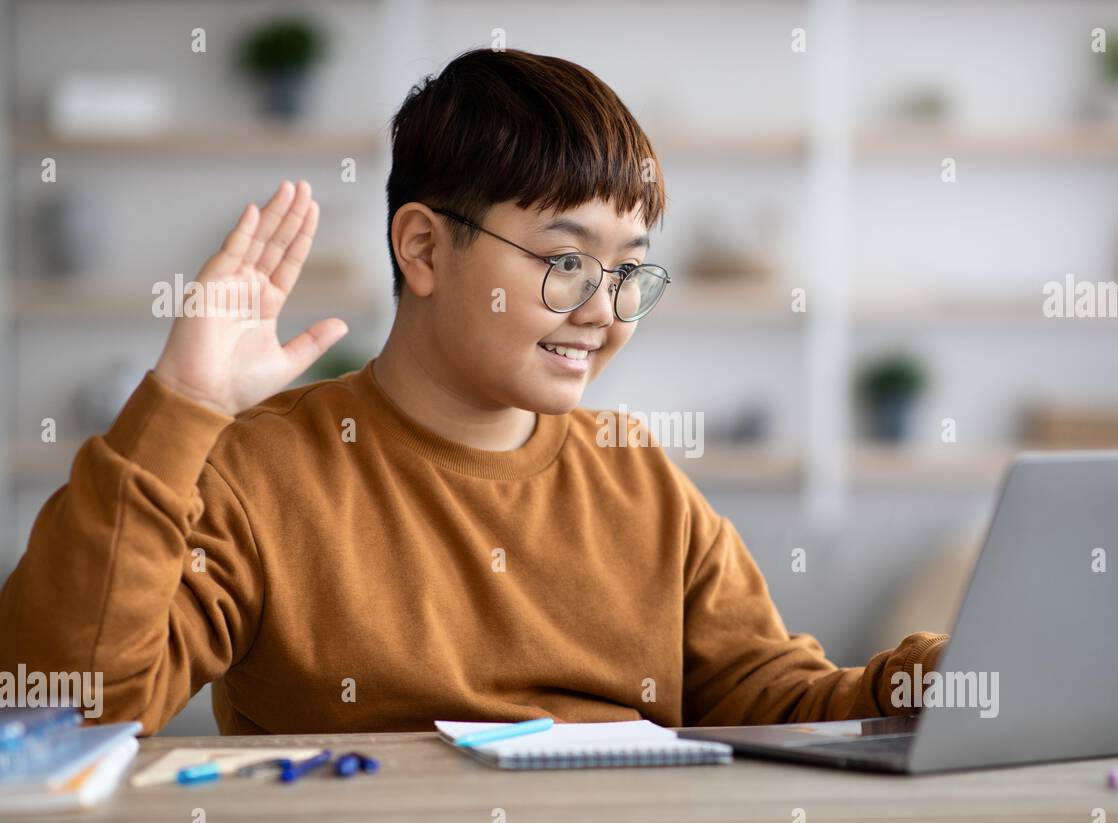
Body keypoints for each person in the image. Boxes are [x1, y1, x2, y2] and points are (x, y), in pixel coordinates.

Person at [0, 49, 946, 735]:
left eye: (629, 273)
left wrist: (940, 681)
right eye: (568, 260)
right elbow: (63, 712)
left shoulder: (636, 475)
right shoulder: (260, 469)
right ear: (423, 249)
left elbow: (777, 700)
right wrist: (181, 405)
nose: (605, 313)